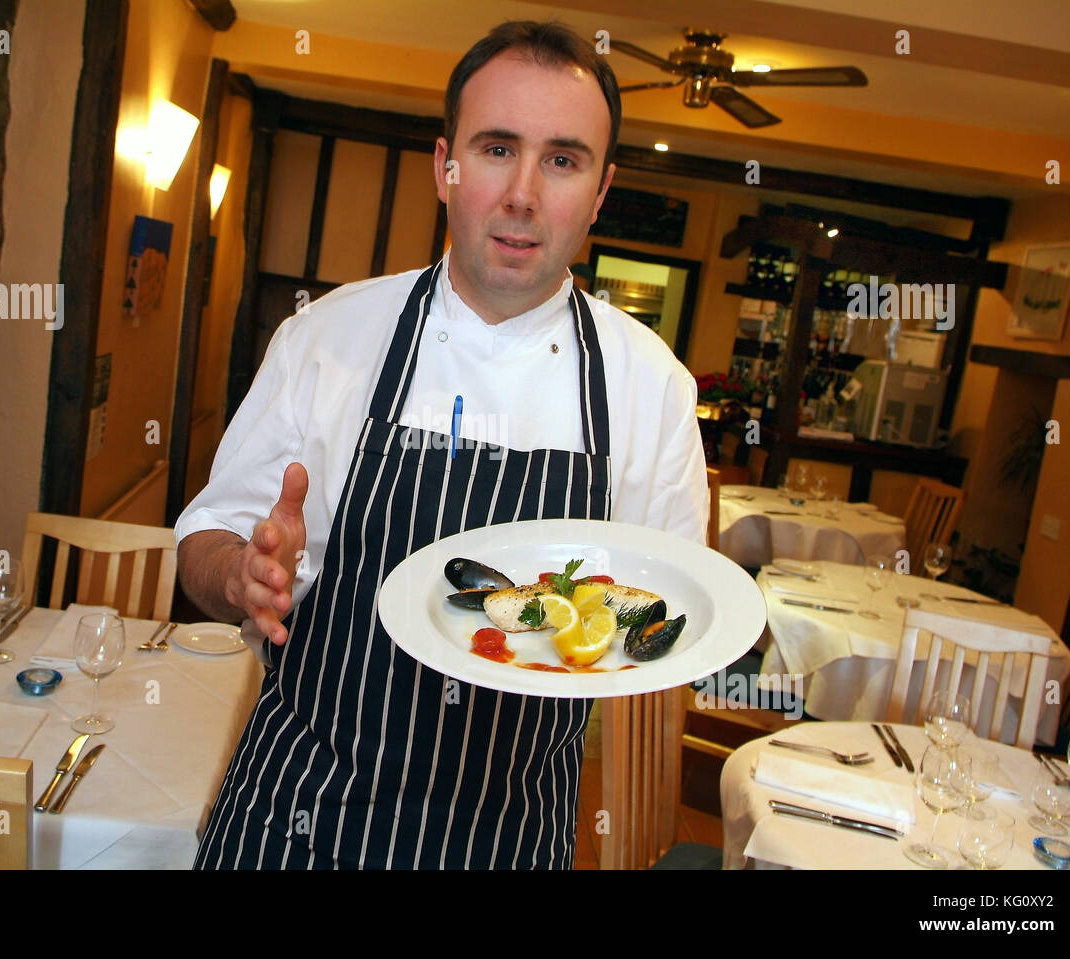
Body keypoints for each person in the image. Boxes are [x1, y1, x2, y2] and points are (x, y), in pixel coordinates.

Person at [176, 19, 707, 869]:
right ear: (444, 166)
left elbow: (664, 625)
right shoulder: (328, 337)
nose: (523, 194)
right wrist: (241, 574)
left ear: (600, 192)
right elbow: (202, 545)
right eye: (497, 148)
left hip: (506, 841)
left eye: (562, 160)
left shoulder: (652, 389)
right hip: (294, 822)